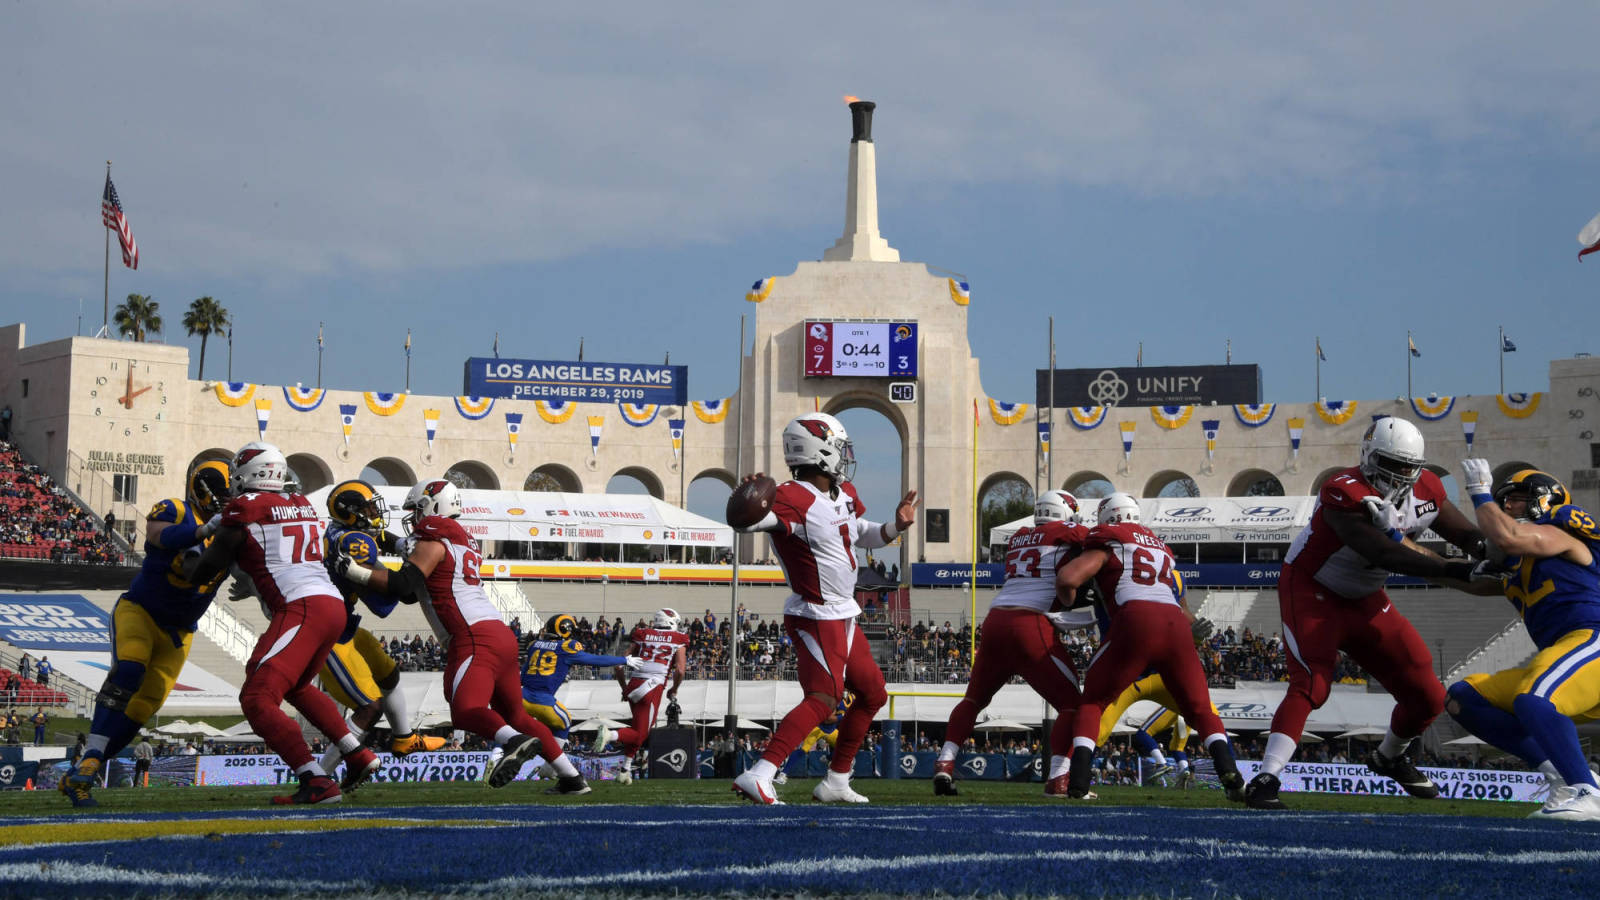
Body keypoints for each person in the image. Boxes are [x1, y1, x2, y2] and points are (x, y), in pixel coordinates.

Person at [1243, 418, 1490, 810]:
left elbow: (1465, 535)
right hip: (1313, 588)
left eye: (1408, 466)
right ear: (1369, 456)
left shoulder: (1427, 488)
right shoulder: (1342, 489)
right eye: (1392, 463)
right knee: (1312, 684)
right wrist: (1458, 571)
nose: (1401, 474)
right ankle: (1267, 776)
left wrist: (1487, 550)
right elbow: (1382, 553)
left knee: (1428, 696)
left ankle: (1389, 757)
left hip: (1365, 596)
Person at [333, 478, 589, 795]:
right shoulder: (459, 538)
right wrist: (381, 540)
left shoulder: (434, 534)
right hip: (499, 634)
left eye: (417, 510)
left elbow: (403, 585)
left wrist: (355, 572)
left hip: (473, 635)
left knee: (465, 711)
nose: (414, 518)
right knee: (517, 715)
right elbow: (412, 585)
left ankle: (514, 741)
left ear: (433, 506)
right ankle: (572, 778)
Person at [729, 412, 916, 805]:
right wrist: (748, 503)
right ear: (820, 450)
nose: (845, 457)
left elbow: (860, 532)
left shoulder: (843, 492)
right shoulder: (789, 496)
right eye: (839, 448)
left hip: (844, 612)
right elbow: (748, 523)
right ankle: (761, 772)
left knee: (873, 694)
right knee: (824, 698)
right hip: (815, 613)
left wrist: (896, 527)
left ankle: (837, 780)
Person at [187, 442, 378, 805]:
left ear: (249, 473)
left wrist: (187, 551)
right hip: (330, 605)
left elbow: (207, 567)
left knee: (257, 698)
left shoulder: (245, 506)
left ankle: (315, 779)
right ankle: (356, 752)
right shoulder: (301, 503)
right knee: (298, 687)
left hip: (302, 606)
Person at [60, 460, 236, 808]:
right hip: (141, 612)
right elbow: (159, 535)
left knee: (142, 709)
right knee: (129, 669)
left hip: (179, 632)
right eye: (225, 492)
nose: (230, 499)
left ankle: (84, 770)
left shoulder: (233, 531)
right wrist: (202, 531)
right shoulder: (177, 509)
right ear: (204, 489)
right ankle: (90, 759)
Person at [1057, 493, 1246, 802]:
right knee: (1201, 710)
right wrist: (1194, 630)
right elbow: (1177, 608)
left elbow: (1068, 578)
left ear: (1107, 518)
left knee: (1091, 703)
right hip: (1172, 632)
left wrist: (1065, 604)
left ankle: (1076, 779)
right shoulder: (1161, 551)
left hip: (1134, 631)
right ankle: (1231, 773)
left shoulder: (1108, 542)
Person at [1445, 465, 1600, 820]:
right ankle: (1565, 775)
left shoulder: (1562, 535)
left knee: (1534, 698)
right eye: (1505, 501)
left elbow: (1510, 537)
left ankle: (1586, 791)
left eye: (1516, 499)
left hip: (1593, 639)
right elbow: (1453, 575)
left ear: (1545, 501)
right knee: (1463, 698)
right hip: (1568, 654)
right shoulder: (1517, 567)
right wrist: (1392, 540)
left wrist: (1479, 491)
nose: (1508, 506)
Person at [934, 490, 1087, 797]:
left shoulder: (1018, 537)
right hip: (1030, 623)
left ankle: (945, 762)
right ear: (1065, 513)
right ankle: (1059, 777)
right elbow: (1096, 541)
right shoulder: (1066, 531)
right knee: (1074, 706)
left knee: (973, 699)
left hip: (995, 621)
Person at [310, 480, 445, 789]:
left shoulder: (342, 532)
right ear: (351, 512)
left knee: (388, 672)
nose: (375, 513)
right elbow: (385, 604)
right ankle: (319, 776)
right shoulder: (355, 543)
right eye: (369, 509)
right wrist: (412, 573)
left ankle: (404, 738)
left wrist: (399, 544)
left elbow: (378, 536)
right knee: (370, 707)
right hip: (329, 634)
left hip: (343, 624)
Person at [505, 613, 637, 778]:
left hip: (521, 696)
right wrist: (623, 660)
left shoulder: (534, 645)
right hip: (543, 700)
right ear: (564, 630)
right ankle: (550, 766)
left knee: (509, 726)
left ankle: (497, 754)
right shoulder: (566, 648)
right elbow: (594, 659)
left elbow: (523, 677)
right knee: (565, 721)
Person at [592, 608, 689, 784]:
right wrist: (674, 689)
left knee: (637, 730)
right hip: (652, 688)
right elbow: (680, 670)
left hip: (634, 684)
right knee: (640, 734)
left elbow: (619, 665)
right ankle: (610, 735)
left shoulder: (642, 634)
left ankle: (625, 770)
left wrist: (624, 688)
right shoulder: (679, 638)